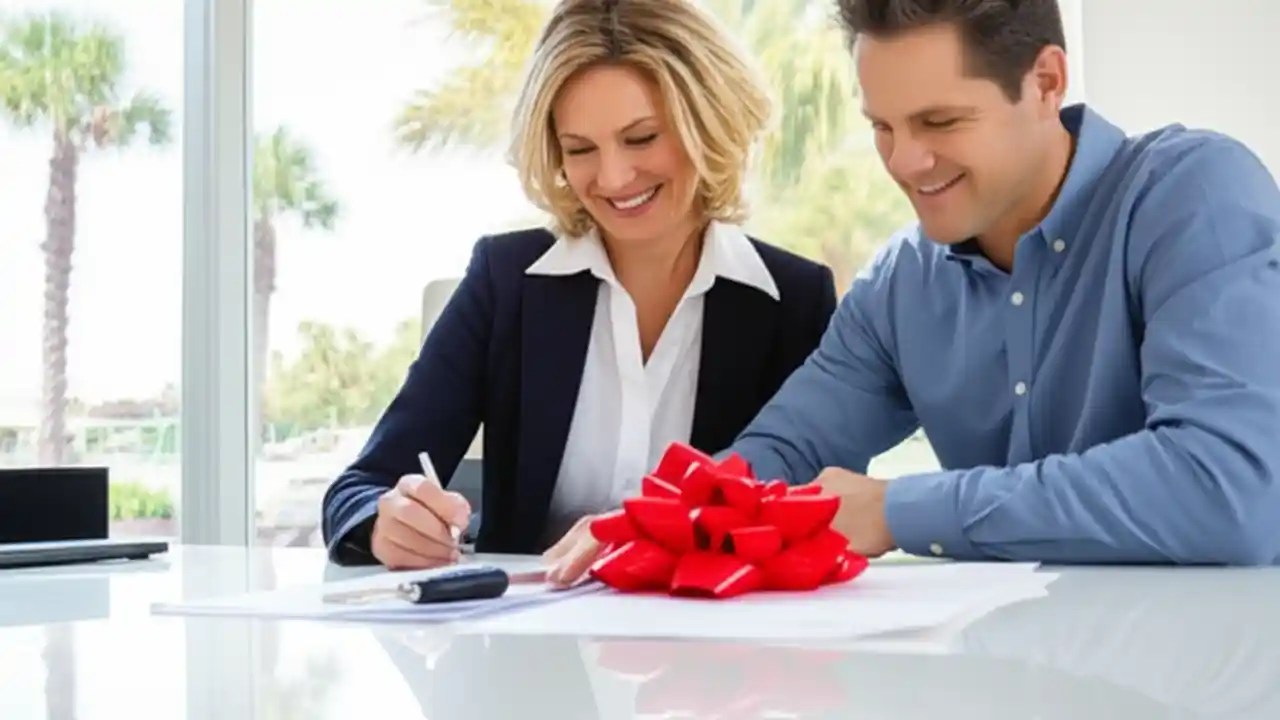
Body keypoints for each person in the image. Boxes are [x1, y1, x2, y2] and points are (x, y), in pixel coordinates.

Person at [547, 0, 1280, 581]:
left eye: (940, 122)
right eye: (883, 127)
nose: (904, 162)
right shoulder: (901, 284)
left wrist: (897, 512)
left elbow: (1229, 490)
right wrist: (660, 519)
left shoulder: (1192, 197)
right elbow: (787, 448)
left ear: (1046, 83)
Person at [320, 0, 837, 569]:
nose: (612, 177)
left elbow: (813, 514)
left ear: (707, 123)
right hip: (530, 620)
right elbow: (360, 488)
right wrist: (384, 524)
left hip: (707, 621)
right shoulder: (506, 282)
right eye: (580, 149)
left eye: (641, 138)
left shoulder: (794, 300)